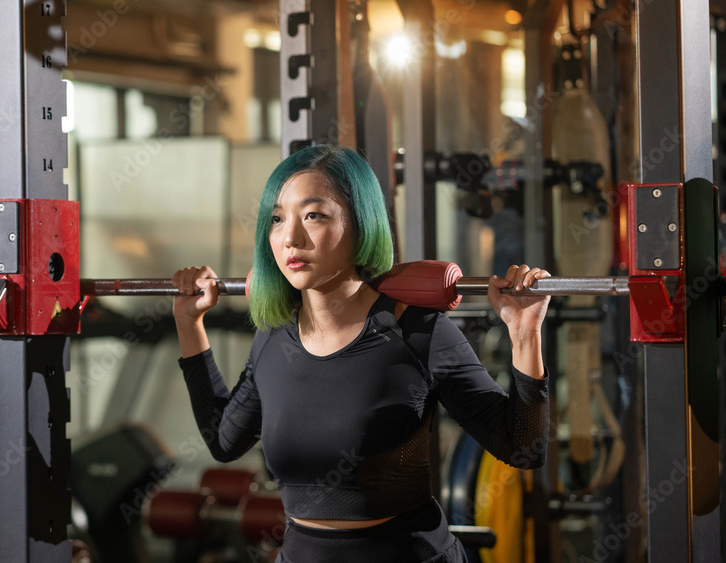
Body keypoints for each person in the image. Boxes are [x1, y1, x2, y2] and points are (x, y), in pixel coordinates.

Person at [172, 145, 551, 562]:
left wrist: (524, 334)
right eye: (278, 218)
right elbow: (224, 441)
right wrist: (189, 326)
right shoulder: (273, 339)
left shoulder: (419, 334)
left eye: (314, 215)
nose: (290, 238)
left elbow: (523, 448)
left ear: (360, 224)